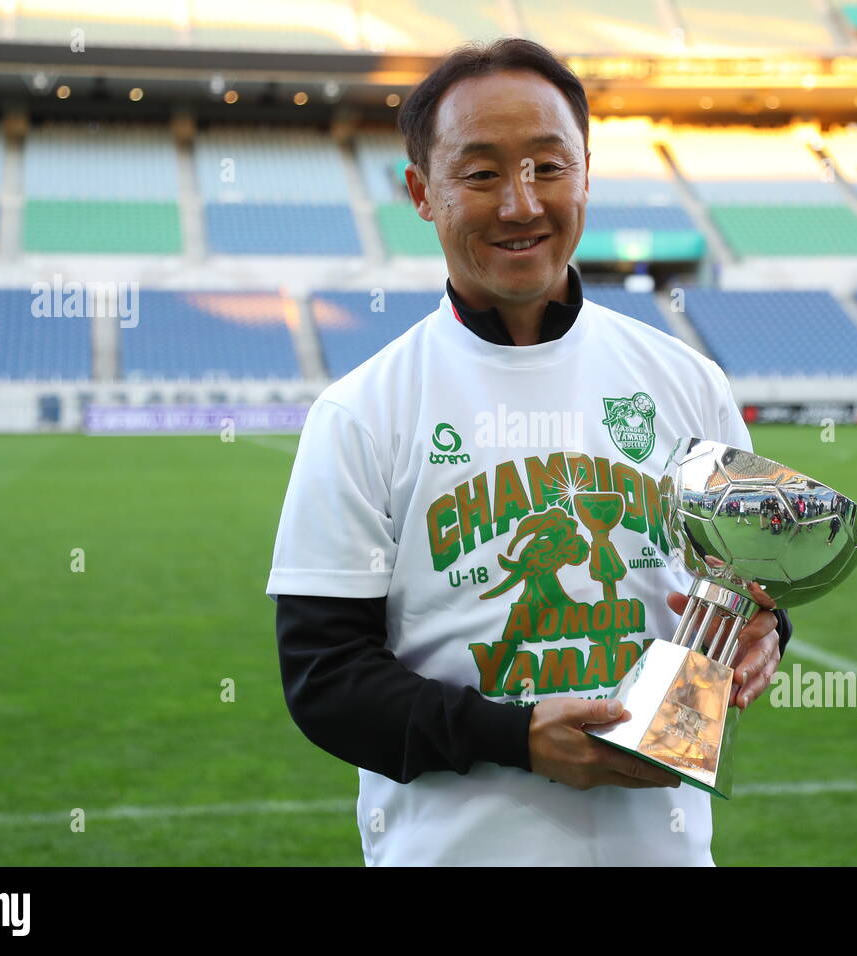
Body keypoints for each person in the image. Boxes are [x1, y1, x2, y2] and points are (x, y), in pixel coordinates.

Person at [267, 38, 791, 867]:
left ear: (586, 173)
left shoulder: (691, 383)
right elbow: (325, 680)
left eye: (550, 167)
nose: (521, 204)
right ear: (422, 193)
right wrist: (517, 737)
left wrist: (765, 633)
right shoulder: (362, 411)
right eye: (480, 175)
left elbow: (734, 592)